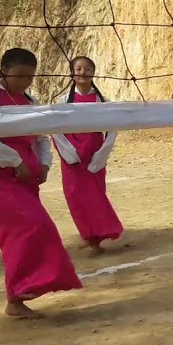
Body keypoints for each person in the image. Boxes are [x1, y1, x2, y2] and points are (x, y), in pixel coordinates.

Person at [0, 48, 83, 319]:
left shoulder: (29, 99)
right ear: (4, 70)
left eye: (29, 77)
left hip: (25, 176)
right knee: (32, 226)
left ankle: (19, 296)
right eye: (19, 76)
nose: (24, 82)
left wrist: (44, 163)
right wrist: (14, 161)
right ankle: (21, 291)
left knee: (24, 233)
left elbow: (41, 137)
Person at [52, 56, 123, 254]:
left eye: (87, 69)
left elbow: (112, 130)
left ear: (93, 72)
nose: (82, 72)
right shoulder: (63, 101)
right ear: (72, 72)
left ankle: (98, 236)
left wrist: (101, 156)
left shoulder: (102, 102)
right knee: (74, 196)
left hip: (94, 155)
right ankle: (87, 234)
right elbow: (55, 130)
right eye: (78, 68)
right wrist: (69, 153)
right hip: (72, 157)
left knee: (96, 196)